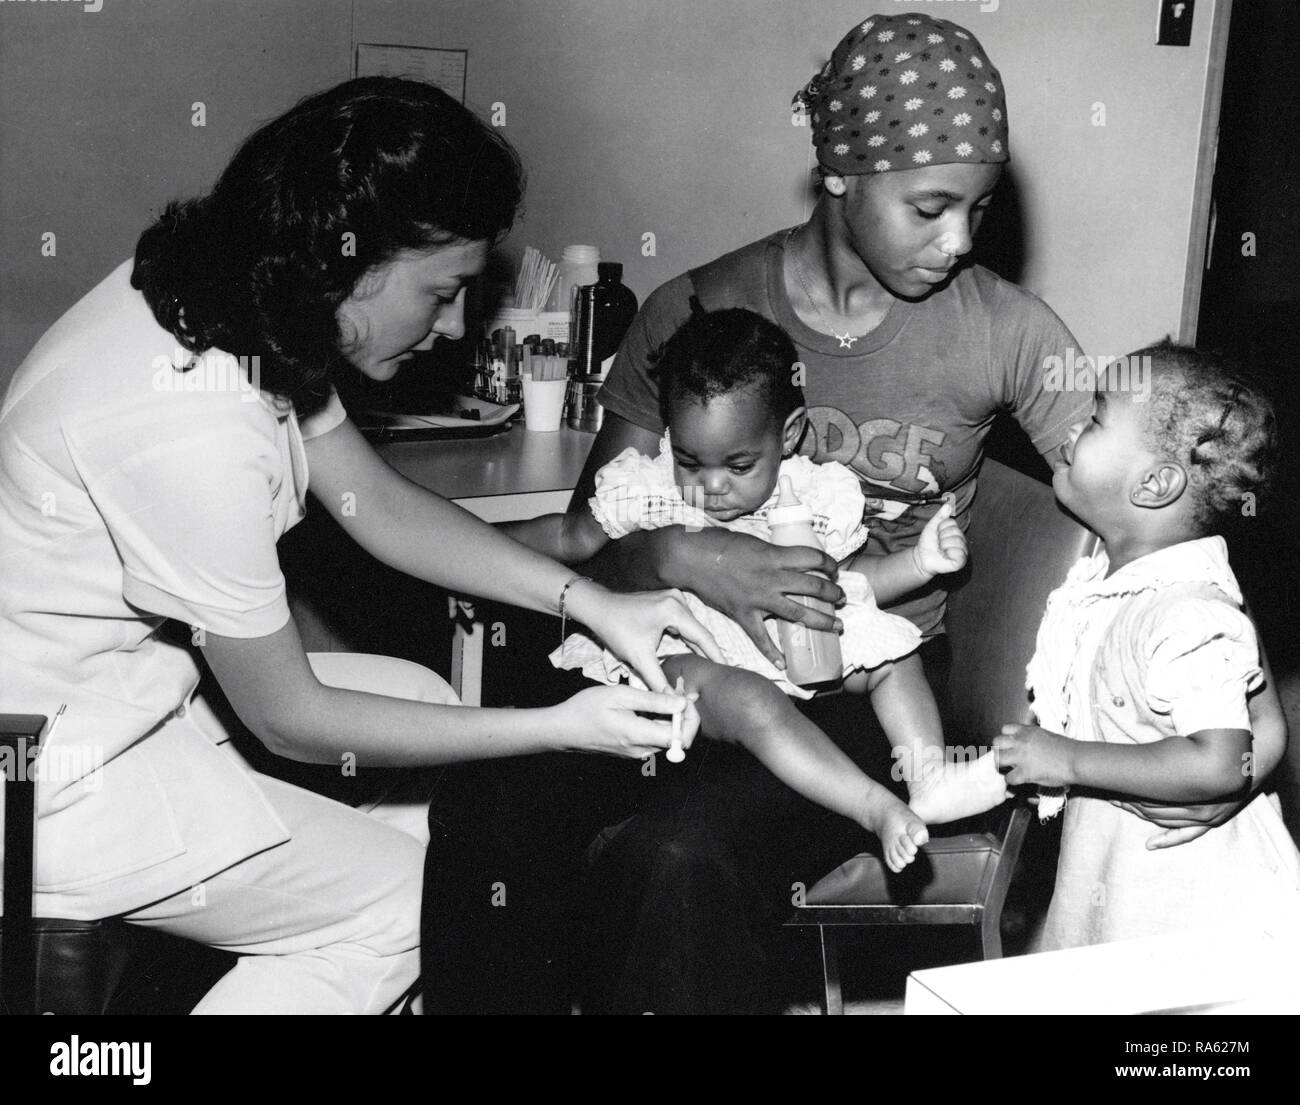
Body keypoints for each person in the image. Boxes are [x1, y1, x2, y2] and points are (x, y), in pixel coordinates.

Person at [422, 12, 1289, 1014]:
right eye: (928, 207)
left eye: (977, 206)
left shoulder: (1002, 330)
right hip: (667, 662)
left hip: (861, 695)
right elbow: (590, 552)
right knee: (492, 811)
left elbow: (1158, 500)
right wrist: (685, 552)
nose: (959, 239)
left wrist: (1252, 712)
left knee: (673, 858)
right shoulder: (695, 313)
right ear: (839, 174)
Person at [0, 77, 718, 1014]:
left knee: (422, 711)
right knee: (407, 913)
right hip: (47, 776)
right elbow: (289, 717)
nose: (456, 325)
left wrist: (592, 601)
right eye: (444, 292)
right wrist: (554, 725)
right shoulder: (190, 426)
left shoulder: (242, 296)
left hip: (111, 693)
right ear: (354, 264)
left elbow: (374, 503)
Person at [510, 306, 1013, 871]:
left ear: (788, 435)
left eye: (739, 464)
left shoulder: (812, 495)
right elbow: (567, 535)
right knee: (755, 702)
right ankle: (873, 806)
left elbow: (841, 583)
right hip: (683, 651)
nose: (712, 485)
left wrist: (917, 563)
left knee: (897, 655)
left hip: (795, 644)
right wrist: (475, 542)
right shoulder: (645, 488)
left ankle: (928, 777)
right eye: (690, 461)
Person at [993, 342, 1300, 947]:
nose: (1076, 427)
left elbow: (1219, 758)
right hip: (1125, 869)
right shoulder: (1119, 578)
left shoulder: (1187, 609)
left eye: (1098, 417)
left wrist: (1068, 757)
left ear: (1155, 484)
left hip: (1202, 908)